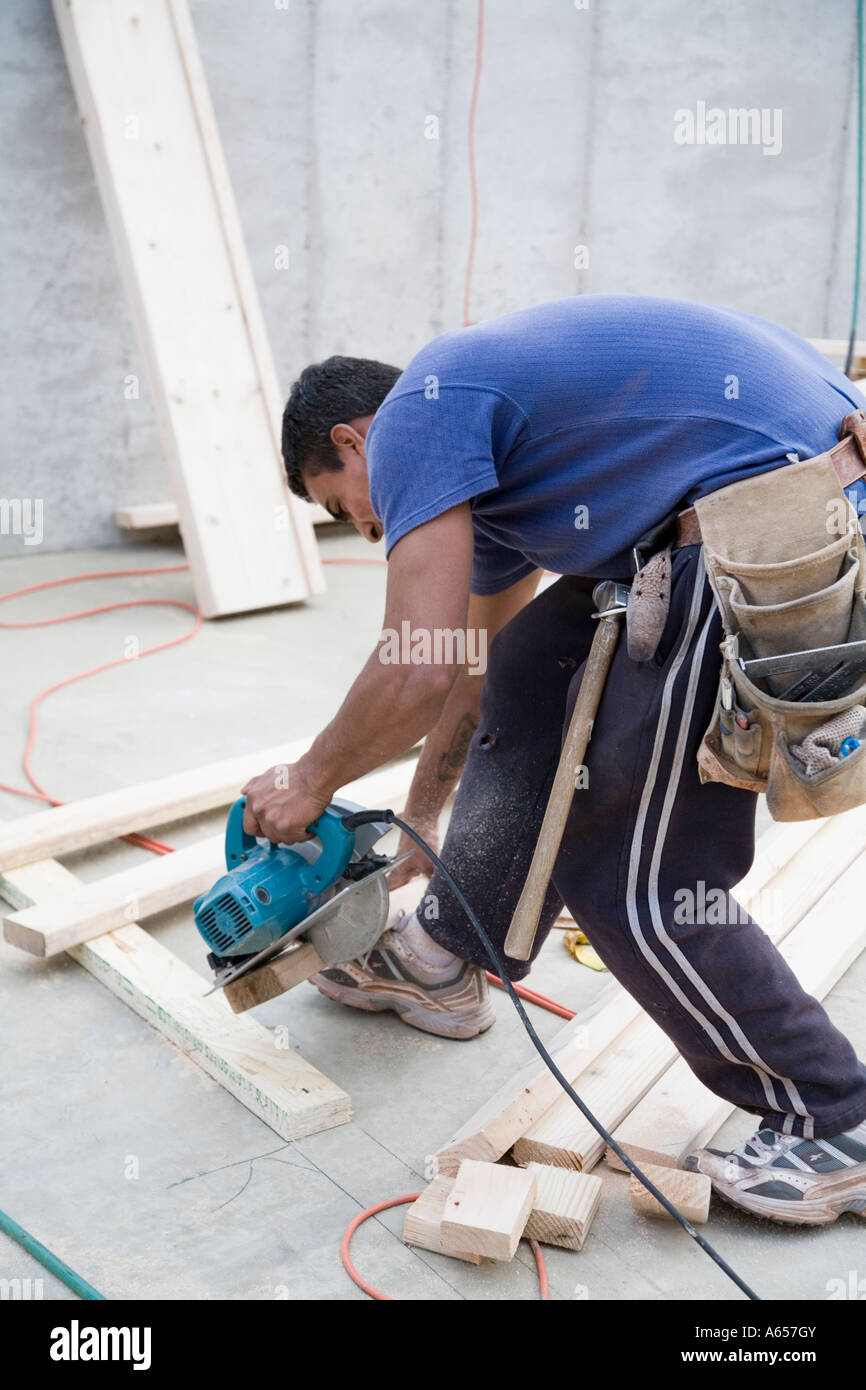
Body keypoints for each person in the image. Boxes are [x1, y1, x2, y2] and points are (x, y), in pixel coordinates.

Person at [242, 295, 866, 1225]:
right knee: (538, 660)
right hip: (769, 501)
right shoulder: (491, 479)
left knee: (631, 878)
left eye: (348, 507)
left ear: (356, 438)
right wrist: (422, 827)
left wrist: (309, 782)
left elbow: (410, 666)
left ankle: (834, 1118)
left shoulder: (421, 410)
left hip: (763, 525)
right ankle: (447, 950)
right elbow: (469, 674)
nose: (371, 534)